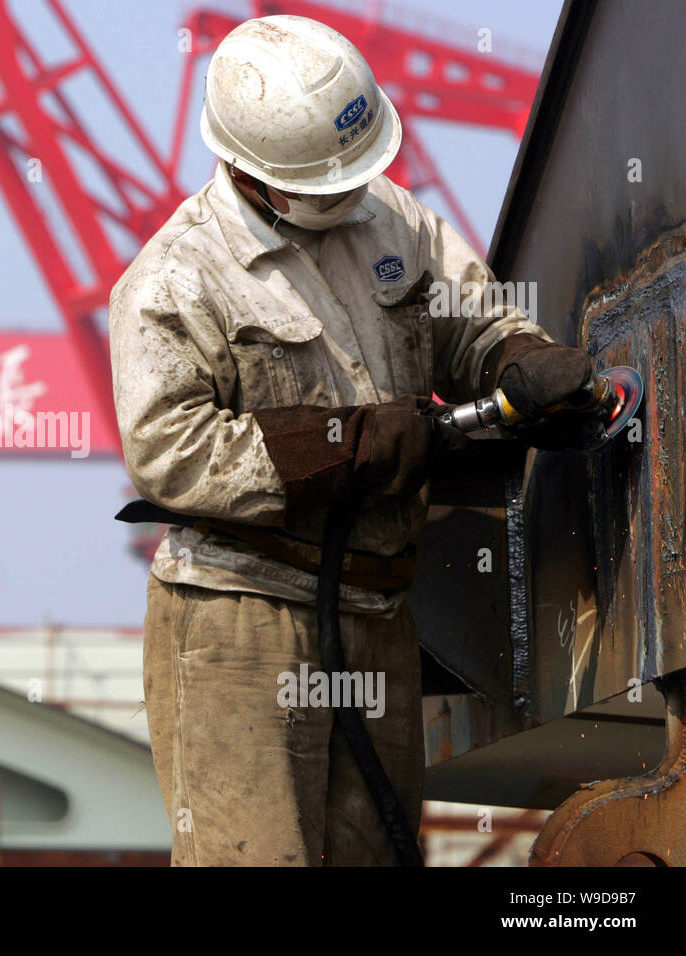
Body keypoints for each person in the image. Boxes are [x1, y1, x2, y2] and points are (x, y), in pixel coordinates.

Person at [108, 14, 597, 865]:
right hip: (242, 625)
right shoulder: (177, 278)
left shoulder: (390, 221)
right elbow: (170, 452)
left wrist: (521, 358)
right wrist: (354, 442)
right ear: (245, 170)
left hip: (375, 609)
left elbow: (470, 324)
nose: (348, 195)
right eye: (326, 184)